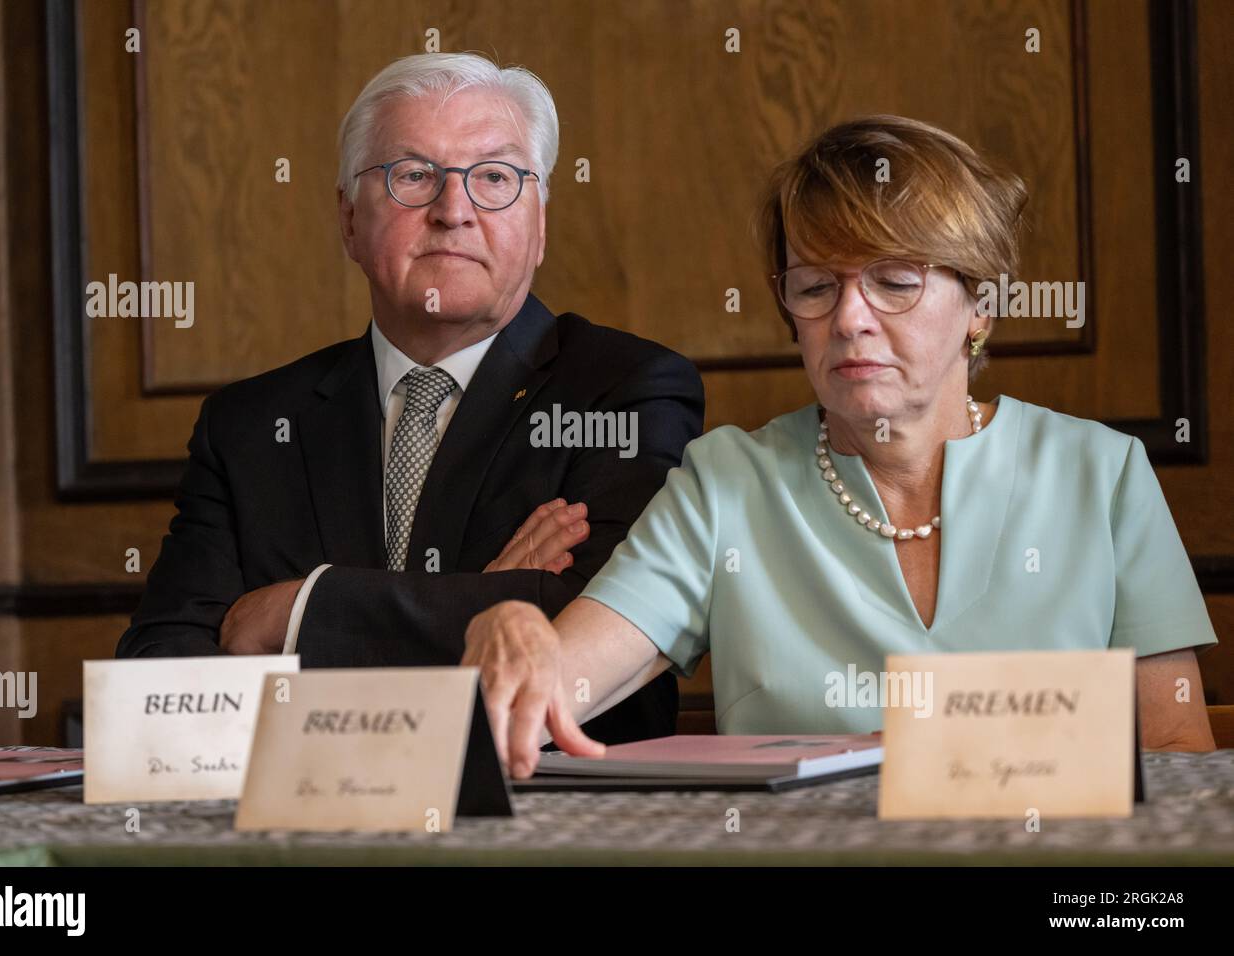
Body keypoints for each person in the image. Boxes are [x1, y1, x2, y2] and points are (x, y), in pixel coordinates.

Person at [463, 116, 1219, 777]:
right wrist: (510, 624)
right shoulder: (729, 483)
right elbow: (559, 683)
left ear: (979, 308)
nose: (850, 318)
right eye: (816, 287)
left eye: (894, 281)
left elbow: (1179, 750)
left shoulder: (1101, 473)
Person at [116, 53, 704, 745]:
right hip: (300, 829)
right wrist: (481, 598)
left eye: (494, 177)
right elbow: (160, 681)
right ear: (348, 220)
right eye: (414, 176)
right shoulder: (249, 425)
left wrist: (299, 611)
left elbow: (590, 623)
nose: (453, 212)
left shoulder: (625, 391)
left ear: (539, 221)